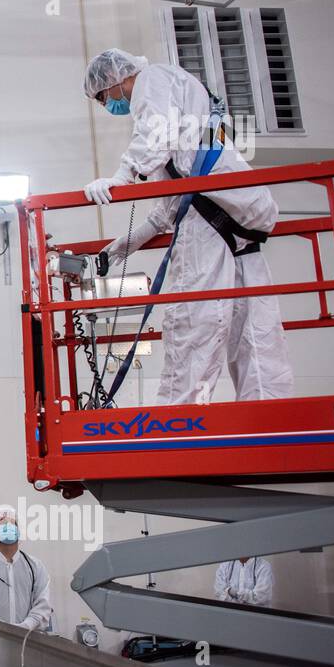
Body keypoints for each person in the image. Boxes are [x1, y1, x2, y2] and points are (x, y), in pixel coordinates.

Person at [80, 48, 294, 405]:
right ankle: (268, 411)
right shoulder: (181, 107)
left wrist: (123, 174)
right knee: (254, 326)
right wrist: (125, 244)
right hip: (238, 210)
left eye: (104, 97)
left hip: (209, 217)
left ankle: (178, 424)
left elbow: (155, 134)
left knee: (192, 320)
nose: (109, 106)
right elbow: (168, 207)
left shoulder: (154, 81)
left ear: (116, 79)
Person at [0, 504, 53, 632]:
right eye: (2, 523)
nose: (8, 526)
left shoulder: (35, 566)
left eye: (13, 523)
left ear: (19, 531)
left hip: (28, 640)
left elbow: (43, 605)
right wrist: (2, 628)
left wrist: (27, 626)